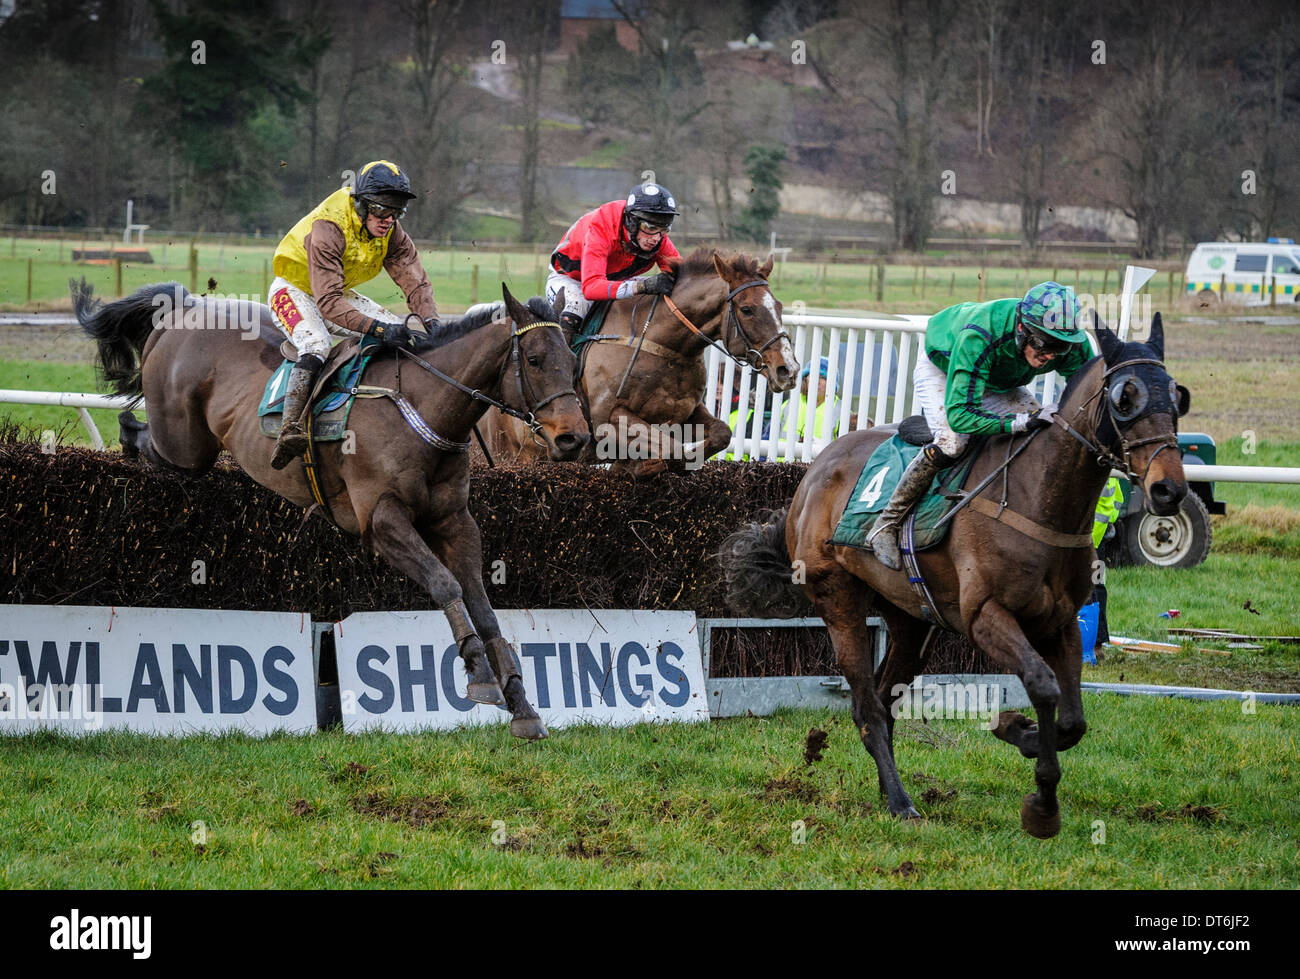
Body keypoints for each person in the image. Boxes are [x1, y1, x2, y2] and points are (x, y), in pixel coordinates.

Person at [865, 281, 1092, 570]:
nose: (1051, 354)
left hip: (1000, 379)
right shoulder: (980, 334)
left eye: (1060, 347)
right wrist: (1019, 422)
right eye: (1045, 344)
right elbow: (961, 415)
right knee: (953, 442)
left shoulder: (1070, 345)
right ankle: (886, 523)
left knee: (1043, 435)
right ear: (1022, 328)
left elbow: (1088, 392)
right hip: (946, 367)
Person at [266, 160, 440, 470]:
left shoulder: (391, 231)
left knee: (399, 330)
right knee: (316, 344)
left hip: (334, 289)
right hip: (293, 290)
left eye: (397, 211)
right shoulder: (328, 227)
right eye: (382, 209)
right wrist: (379, 330)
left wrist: (431, 322)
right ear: (360, 203)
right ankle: (289, 428)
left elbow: (416, 281)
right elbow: (329, 303)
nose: (389, 219)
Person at [546, 181, 682, 345]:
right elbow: (591, 288)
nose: (656, 238)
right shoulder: (602, 226)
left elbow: (681, 276)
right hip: (573, 281)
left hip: (611, 280)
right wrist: (641, 287)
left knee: (664, 286)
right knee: (577, 304)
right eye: (650, 227)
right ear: (632, 221)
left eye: (664, 229)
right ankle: (563, 365)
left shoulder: (657, 236)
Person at [1092, 476, 1125, 650]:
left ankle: (1094, 643)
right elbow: (1117, 501)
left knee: (1092, 589)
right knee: (1097, 587)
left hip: (1090, 541)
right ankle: (1098, 641)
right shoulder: (1112, 473)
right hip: (1098, 539)